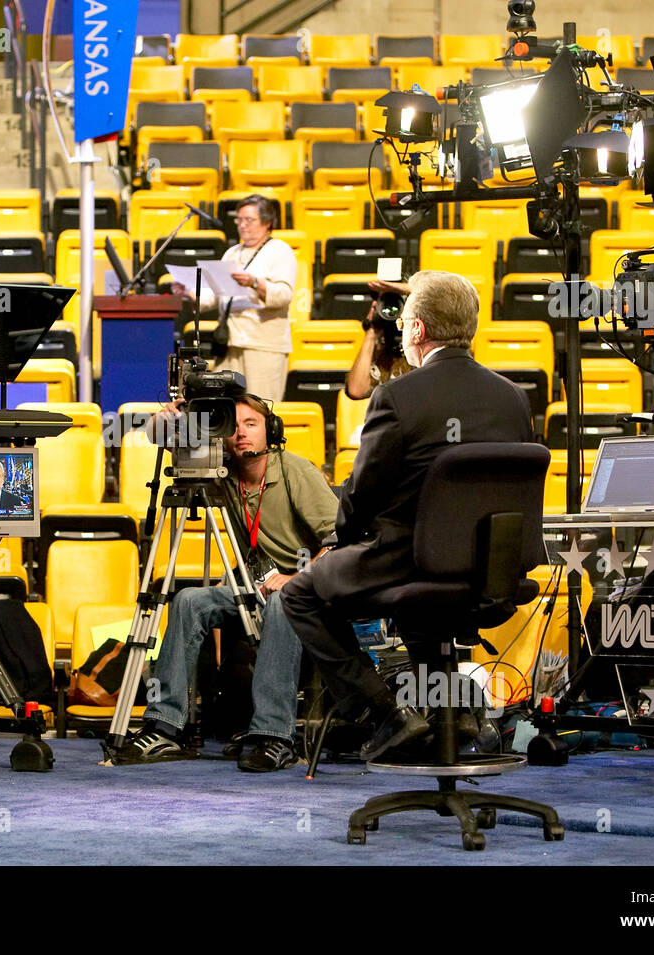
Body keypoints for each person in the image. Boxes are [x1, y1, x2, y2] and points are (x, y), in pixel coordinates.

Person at [279, 270, 534, 762]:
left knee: (300, 593)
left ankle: (386, 715)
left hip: (410, 558)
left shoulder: (397, 396)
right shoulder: (512, 396)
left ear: (416, 331)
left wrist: (342, 540)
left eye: (405, 327)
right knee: (423, 609)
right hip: (491, 567)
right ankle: (452, 714)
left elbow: (363, 495)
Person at [113, 394, 338, 771]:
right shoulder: (220, 472)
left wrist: (296, 577)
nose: (242, 434)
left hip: (309, 591)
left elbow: (340, 541)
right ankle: (166, 727)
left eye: (252, 424)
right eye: (234, 426)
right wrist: (172, 417)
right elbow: (157, 438)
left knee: (284, 600)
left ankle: (273, 736)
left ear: (272, 430)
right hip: (255, 590)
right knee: (188, 600)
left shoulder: (295, 472)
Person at [172, 194, 297, 404]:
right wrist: (189, 292)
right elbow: (215, 296)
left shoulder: (280, 251)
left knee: (259, 406)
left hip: (262, 346)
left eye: (249, 220)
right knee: (224, 405)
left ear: (267, 222)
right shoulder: (232, 253)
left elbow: (284, 296)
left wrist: (255, 283)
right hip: (230, 343)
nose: (242, 226)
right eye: (239, 220)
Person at [345, 279, 413, 400]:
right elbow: (356, 390)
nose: (393, 308)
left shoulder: (428, 341)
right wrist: (371, 333)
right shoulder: (381, 354)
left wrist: (412, 291)